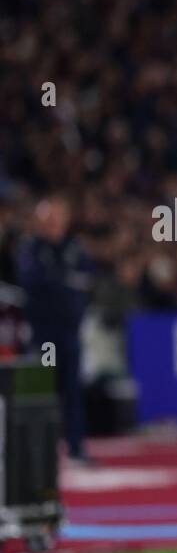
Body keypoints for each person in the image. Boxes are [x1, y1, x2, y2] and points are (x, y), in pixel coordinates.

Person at [16, 196, 94, 462]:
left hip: (69, 333)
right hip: (44, 336)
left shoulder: (74, 248)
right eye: (49, 219)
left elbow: (87, 281)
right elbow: (32, 282)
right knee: (44, 391)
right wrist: (63, 283)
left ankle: (75, 447)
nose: (54, 225)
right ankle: (40, 451)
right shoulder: (32, 249)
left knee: (73, 391)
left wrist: (61, 284)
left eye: (58, 218)